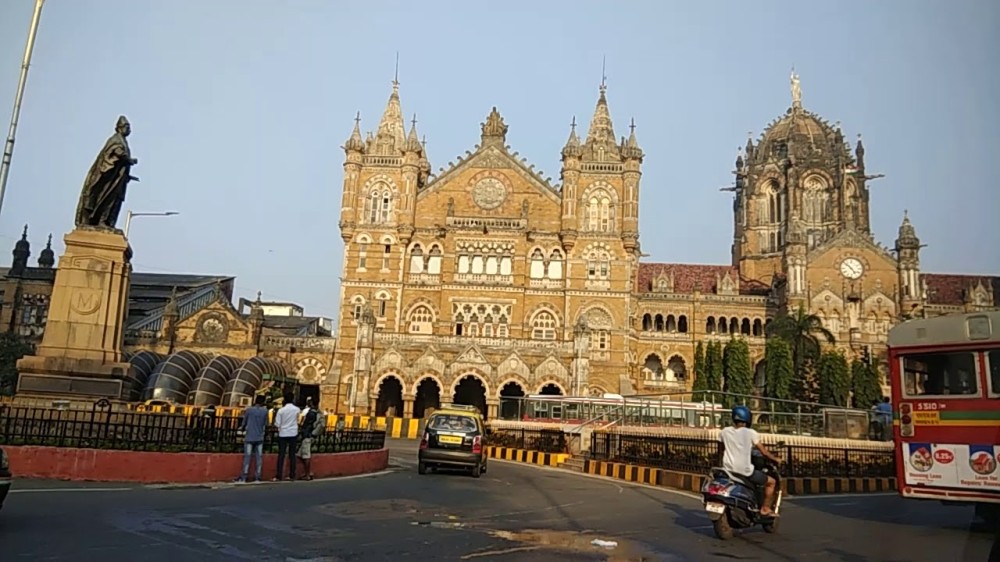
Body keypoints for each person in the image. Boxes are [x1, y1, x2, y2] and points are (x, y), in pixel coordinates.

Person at [719, 406, 782, 517]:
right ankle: (765, 508)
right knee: (771, 482)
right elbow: (764, 452)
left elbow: (720, 449)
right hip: (745, 471)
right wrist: (776, 459)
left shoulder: (724, 432)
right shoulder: (751, 433)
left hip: (728, 470)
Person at [236, 395, 268, 483]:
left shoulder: (249, 410)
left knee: (247, 456)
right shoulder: (265, 411)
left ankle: (244, 476)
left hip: (249, 436)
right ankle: (257, 476)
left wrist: (242, 428)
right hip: (260, 436)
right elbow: (266, 424)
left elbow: (244, 423)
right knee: (259, 457)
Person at [273, 392, 301, 481]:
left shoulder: (281, 411)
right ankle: (292, 475)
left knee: (281, 454)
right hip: (293, 433)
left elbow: (277, 423)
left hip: (283, 433)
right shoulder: (297, 409)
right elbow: (298, 420)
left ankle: (279, 475)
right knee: (292, 455)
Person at [297, 397, 319, 481]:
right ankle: (306, 472)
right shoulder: (314, 413)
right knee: (300, 455)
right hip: (307, 435)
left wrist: (302, 429)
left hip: (307, 435)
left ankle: (307, 474)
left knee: (306, 456)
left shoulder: (311, 414)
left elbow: (306, 424)